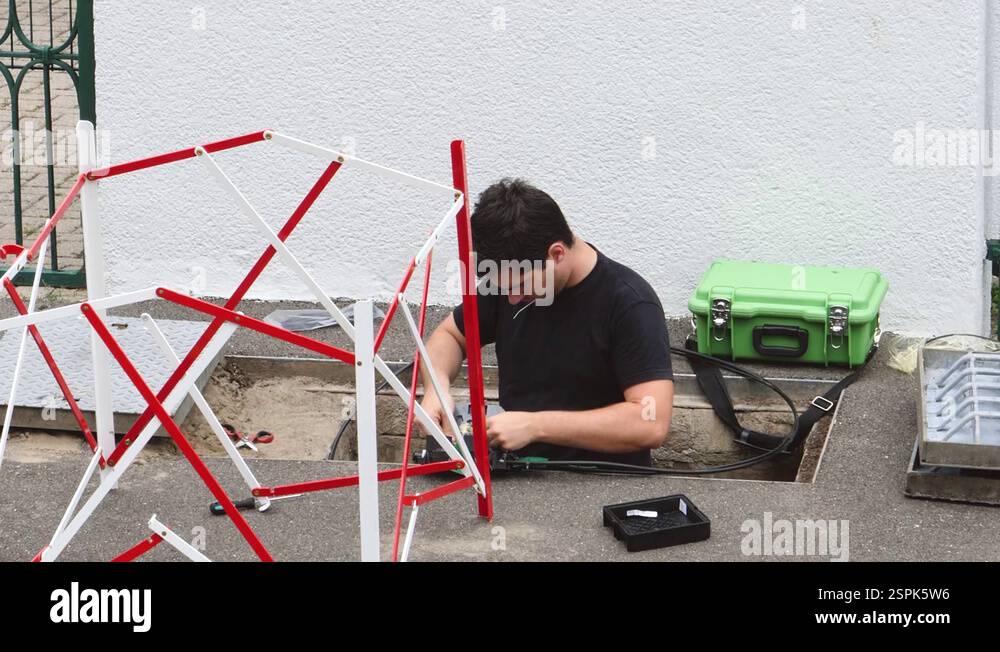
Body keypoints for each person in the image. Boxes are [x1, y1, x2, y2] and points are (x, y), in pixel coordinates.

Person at [419, 178, 673, 465]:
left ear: (556, 254)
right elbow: (451, 336)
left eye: (521, 285)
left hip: (603, 484)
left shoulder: (630, 302)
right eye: (504, 288)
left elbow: (651, 422)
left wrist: (535, 426)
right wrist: (435, 388)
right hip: (519, 476)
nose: (512, 299)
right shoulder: (511, 283)